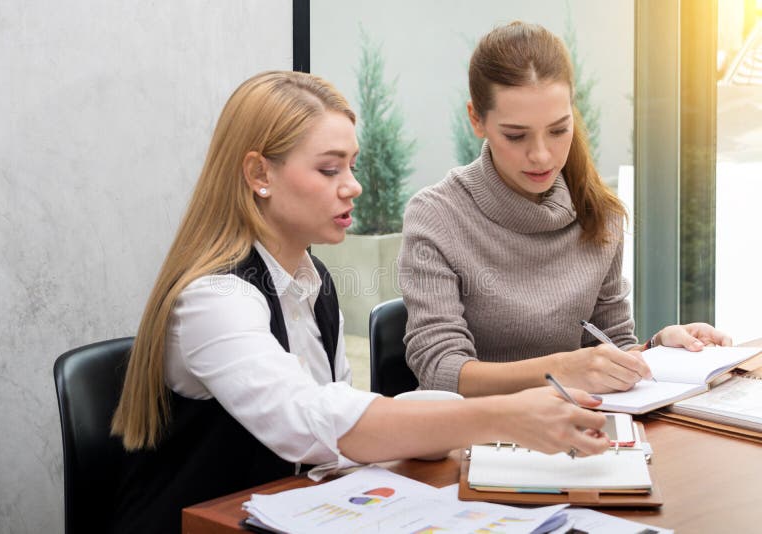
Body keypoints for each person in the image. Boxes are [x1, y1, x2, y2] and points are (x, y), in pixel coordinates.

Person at [108, 70, 611, 533]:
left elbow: (339, 433)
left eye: (351, 164)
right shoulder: (214, 299)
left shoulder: (315, 281)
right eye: (330, 170)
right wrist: (505, 416)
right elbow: (310, 422)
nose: (354, 186)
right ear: (259, 174)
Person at [398, 21, 732, 398]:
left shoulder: (598, 211)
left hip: (581, 431)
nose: (541, 155)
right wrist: (558, 369)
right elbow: (441, 373)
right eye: (516, 135)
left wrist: (656, 351)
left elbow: (611, 347)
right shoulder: (437, 216)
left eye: (558, 130)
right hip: (485, 439)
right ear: (477, 119)